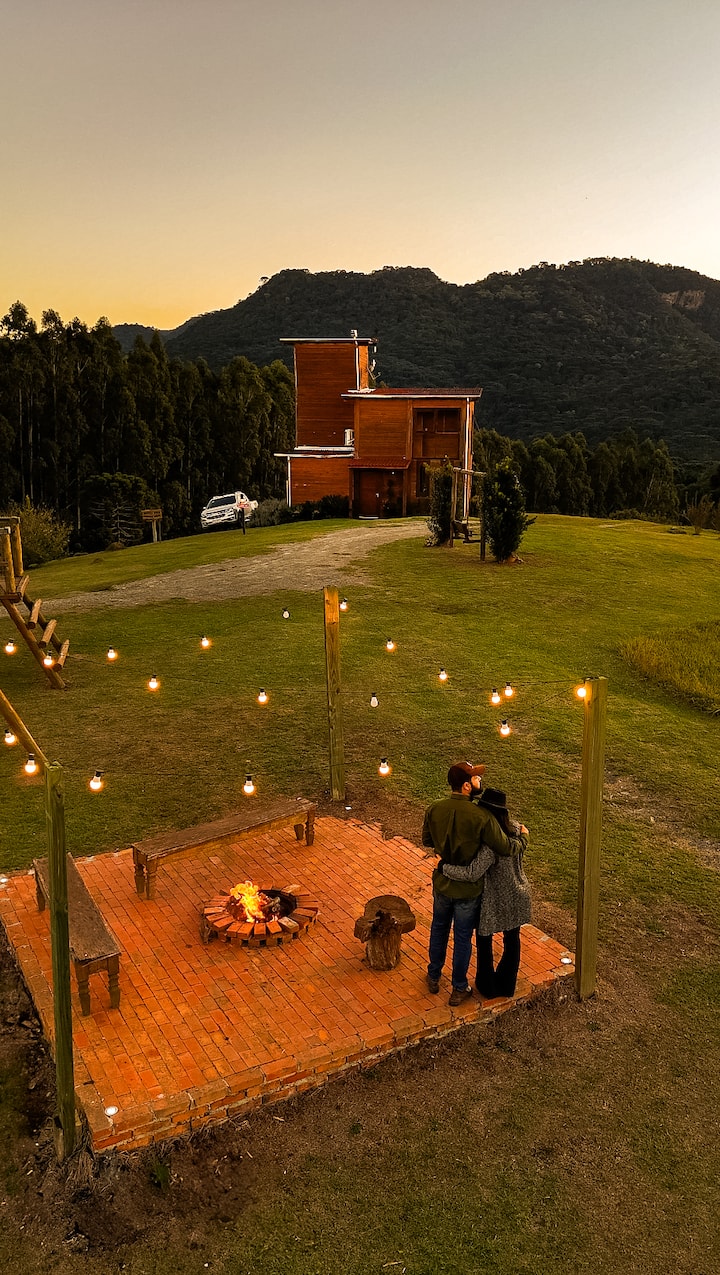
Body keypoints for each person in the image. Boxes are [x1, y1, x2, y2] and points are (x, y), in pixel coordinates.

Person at [422, 763, 517, 1006]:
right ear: (466, 786)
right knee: (462, 938)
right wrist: (524, 838)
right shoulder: (482, 817)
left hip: (442, 884)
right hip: (468, 890)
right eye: (476, 779)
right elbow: (504, 847)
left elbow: (427, 840)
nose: (479, 781)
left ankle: (433, 976)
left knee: (438, 929)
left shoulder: (434, 808)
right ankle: (458, 987)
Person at [440, 787, 530, 999]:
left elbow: (472, 873)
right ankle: (507, 985)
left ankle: (487, 985)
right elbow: (520, 844)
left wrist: (445, 868)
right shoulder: (517, 830)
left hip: (495, 898)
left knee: (484, 939)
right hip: (518, 892)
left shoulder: (490, 844)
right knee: (512, 940)